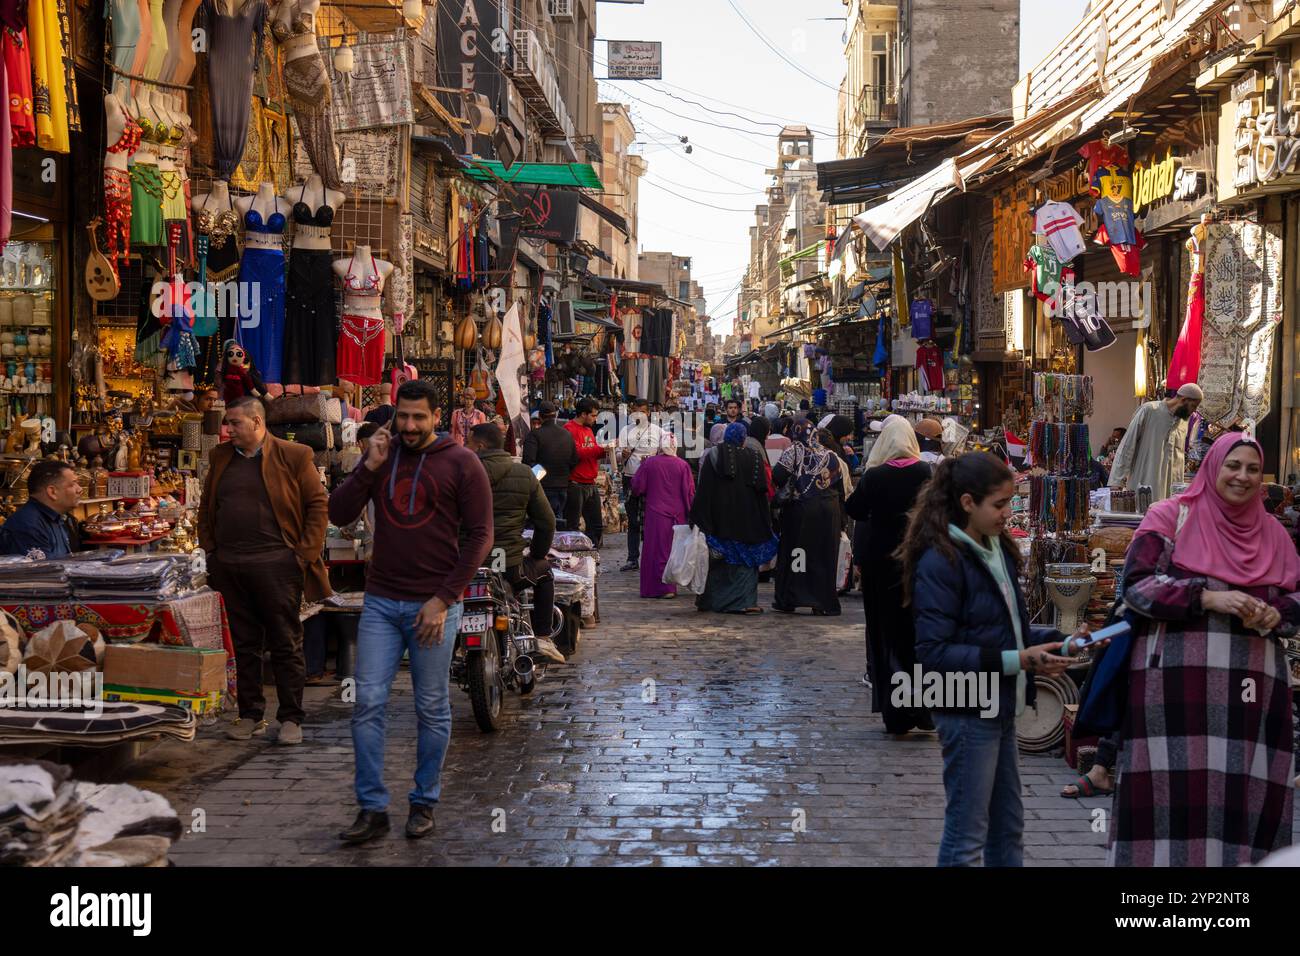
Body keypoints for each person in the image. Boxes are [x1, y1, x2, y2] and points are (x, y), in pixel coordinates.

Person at [1109, 433, 1300, 866]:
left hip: (1252, 688)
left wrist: (1276, 614)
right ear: (1213, 467)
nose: (1243, 476)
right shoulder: (1169, 517)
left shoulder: (1273, 533)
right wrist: (1206, 598)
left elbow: (1296, 597)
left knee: (1244, 790)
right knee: (1172, 788)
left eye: (1253, 469)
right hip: (1177, 682)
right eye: (1233, 465)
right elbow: (1136, 588)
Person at [328, 379, 493, 844]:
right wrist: (367, 467)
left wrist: (443, 600)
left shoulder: (462, 463)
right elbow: (338, 514)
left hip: (434, 605)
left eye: (419, 417)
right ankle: (372, 808)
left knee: (432, 706)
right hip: (380, 601)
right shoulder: (382, 456)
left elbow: (480, 536)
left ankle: (423, 802)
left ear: (436, 416)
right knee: (368, 703)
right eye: (403, 416)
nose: (410, 425)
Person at [899, 452, 1074, 866]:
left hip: (998, 706)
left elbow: (1005, 628)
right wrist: (1019, 660)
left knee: (1007, 828)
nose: (1007, 513)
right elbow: (935, 654)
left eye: (1009, 502)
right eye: (998, 504)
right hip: (966, 709)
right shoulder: (941, 560)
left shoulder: (995, 546)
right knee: (967, 836)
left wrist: (1059, 642)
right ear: (966, 503)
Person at [197, 396, 330, 746]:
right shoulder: (221, 457)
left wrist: (302, 555)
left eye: (234, 423)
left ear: (257, 423)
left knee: (285, 642)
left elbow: (317, 505)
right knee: (244, 645)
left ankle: (290, 717)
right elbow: (207, 506)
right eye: (227, 423)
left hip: (277, 565)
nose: (227, 430)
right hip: (230, 566)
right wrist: (212, 551)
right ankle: (250, 714)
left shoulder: (294, 455)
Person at [847, 415, 933, 733]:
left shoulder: (874, 476)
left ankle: (895, 714)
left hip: (880, 565)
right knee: (919, 633)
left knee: (885, 634)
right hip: (918, 561)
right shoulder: (926, 472)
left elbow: (853, 508)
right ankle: (924, 711)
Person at [466, 423, 556, 639]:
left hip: (468, 563)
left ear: (479, 447)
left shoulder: (460, 474)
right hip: (507, 562)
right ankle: (543, 637)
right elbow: (546, 522)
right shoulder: (525, 474)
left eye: (468, 443)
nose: (465, 448)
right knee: (544, 571)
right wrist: (536, 554)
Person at [691, 423, 777, 614]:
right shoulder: (754, 457)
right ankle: (745, 602)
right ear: (743, 439)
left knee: (719, 560)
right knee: (745, 562)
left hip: (719, 518)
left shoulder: (713, 456)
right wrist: (765, 519)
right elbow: (762, 490)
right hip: (747, 519)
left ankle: (713, 601)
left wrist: (699, 518)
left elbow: (704, 490)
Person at [771, 420, 844, 616]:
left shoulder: (794, 450)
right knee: (822, 556)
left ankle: (793, 597)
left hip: (801, 511)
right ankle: (822, 601)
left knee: (797, 554)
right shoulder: (830, 455)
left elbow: (777, 476)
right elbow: (839, 487)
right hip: (828, 511)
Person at [1108, 383, 1203, 501]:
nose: (1194, 411)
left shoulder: (1183, 422)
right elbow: (1127, 446)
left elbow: (1179, 457)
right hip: (1144, 486)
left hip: (1169, 494)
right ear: (1184, 400)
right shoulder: (1149, 411)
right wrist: (1117, 482)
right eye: (1193, 406)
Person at [630, 433, 694, 599]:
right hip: (677, 514)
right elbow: (689, 493)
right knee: (673, 550)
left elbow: (637, 487)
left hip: (655, 513)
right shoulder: (683, 465)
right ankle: (669, 586)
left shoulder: (650, 463)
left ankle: (657, 587)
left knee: (655, 550)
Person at [619, 397, 665, 573]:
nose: (639, 415)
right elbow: (616, 457)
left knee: (651, 520)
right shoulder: (625, 431)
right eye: (636, 411)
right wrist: (621, 454)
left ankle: (650, 557)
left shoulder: (658, 432)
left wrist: (654, 460)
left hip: (652, 481)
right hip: (630, 478)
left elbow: (665, 455)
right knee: (633, 521)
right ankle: (632, 558)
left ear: (648, 413)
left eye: (643, 411)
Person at [0, 460, 83, 557]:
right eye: (73, 484)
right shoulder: (28, 525)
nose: (80, 489)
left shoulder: (58, 518)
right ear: (52, 492)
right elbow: (40, 570)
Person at [522, 401, 577, 520]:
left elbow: (528, 462)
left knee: (541, 524)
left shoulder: (535, 435)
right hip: (562, 486)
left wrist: (542, 476)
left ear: (540, 417)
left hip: (543, 487)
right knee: (557, 522)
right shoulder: (567, 435)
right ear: (555, 415)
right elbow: (574, 461)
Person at [563, 398, 606, 548]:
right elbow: (577, 453)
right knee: (573, 525)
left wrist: (609, 451)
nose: (595, 419)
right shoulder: (569, 429)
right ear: (583, 414)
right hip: (575, 484)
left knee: (596, 526)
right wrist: (601, 449)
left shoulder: (588, 429)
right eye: (593, 415)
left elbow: (592, 453)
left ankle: (592, 558)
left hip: (590, 483)